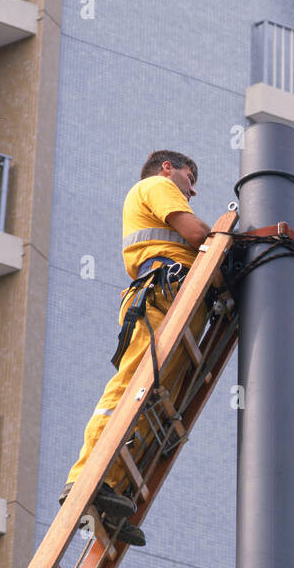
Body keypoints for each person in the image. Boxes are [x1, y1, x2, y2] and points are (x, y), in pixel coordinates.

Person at [58, 150, 212, 545]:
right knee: (132, 389)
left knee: (157, 406)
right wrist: (226, 238)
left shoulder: (163, 191)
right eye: (189, 178)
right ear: (167, 169)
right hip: (160, 297)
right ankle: (84, 480)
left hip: (180, 304)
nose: (192, 190)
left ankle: (113, 495)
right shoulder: (155, 186)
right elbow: (198, 236)